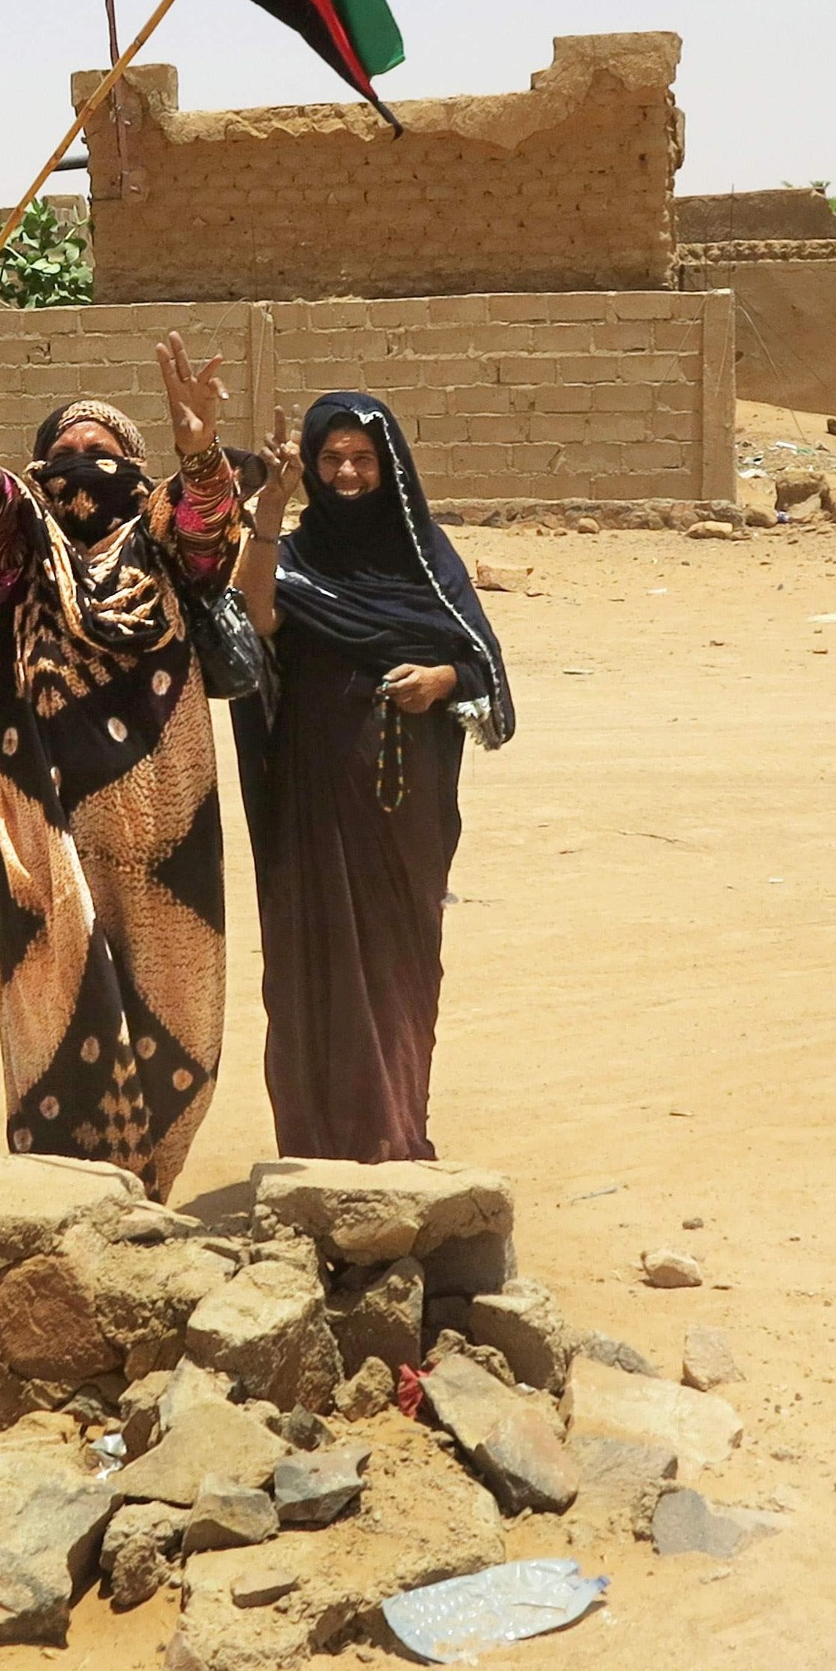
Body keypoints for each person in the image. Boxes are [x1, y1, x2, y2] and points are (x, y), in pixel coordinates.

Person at [0, 282, 240, 1200]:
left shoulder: (159, 540)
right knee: (58, 998)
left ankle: (150, 1192)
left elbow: (206, 536)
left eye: (100, 452)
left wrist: (199, 455)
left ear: (135, 466)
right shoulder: (22, 548)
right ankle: (66, 1192)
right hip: (51, 824)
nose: (78, 464)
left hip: (162, 831)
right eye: (60, 453)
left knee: (169, 1002)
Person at [232, 391, 515, 1164]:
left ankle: (393, 1132)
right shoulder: (295, 556)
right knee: (311, 960)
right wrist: (269, 508)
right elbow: (255, 615)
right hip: (314, 789)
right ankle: (317, 1145)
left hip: (404, 801)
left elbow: (481, 659)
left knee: (398, 960)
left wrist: (439, 681)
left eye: (363, 459)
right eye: (332, 460)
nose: (348, 473)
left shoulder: (426, 556)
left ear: (390, 467)